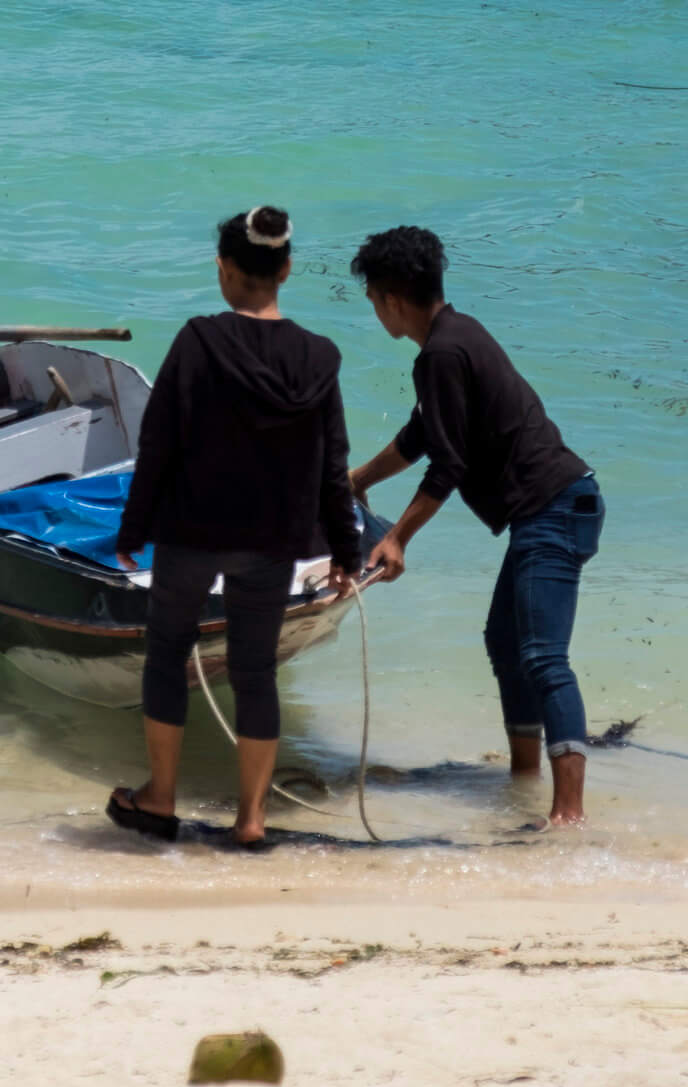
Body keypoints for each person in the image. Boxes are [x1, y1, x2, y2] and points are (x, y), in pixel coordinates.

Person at [107, 206, 361, 849]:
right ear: (286, 270)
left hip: (193, 530)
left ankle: (160, 798)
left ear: (224, 270)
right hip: (274, 540)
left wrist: (132, 528)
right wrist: (344, 550)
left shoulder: (197, 340)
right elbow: (333, 464)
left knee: (166, 653)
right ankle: (251, 821)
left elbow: (157, 442)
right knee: (255, 673)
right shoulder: (319, 358)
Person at [348, 225, 603, 826]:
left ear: (390, 297)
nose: (372, 310)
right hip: (554, 507)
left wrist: (395, 538)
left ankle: (569, 815)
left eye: (371, 299)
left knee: (542, 656)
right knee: (505, 641)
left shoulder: (441, 352)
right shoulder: (453, 337)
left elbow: (449, 462)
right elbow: (421, 436)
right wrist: (357, 480)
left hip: (556, 508)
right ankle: (522, 779)